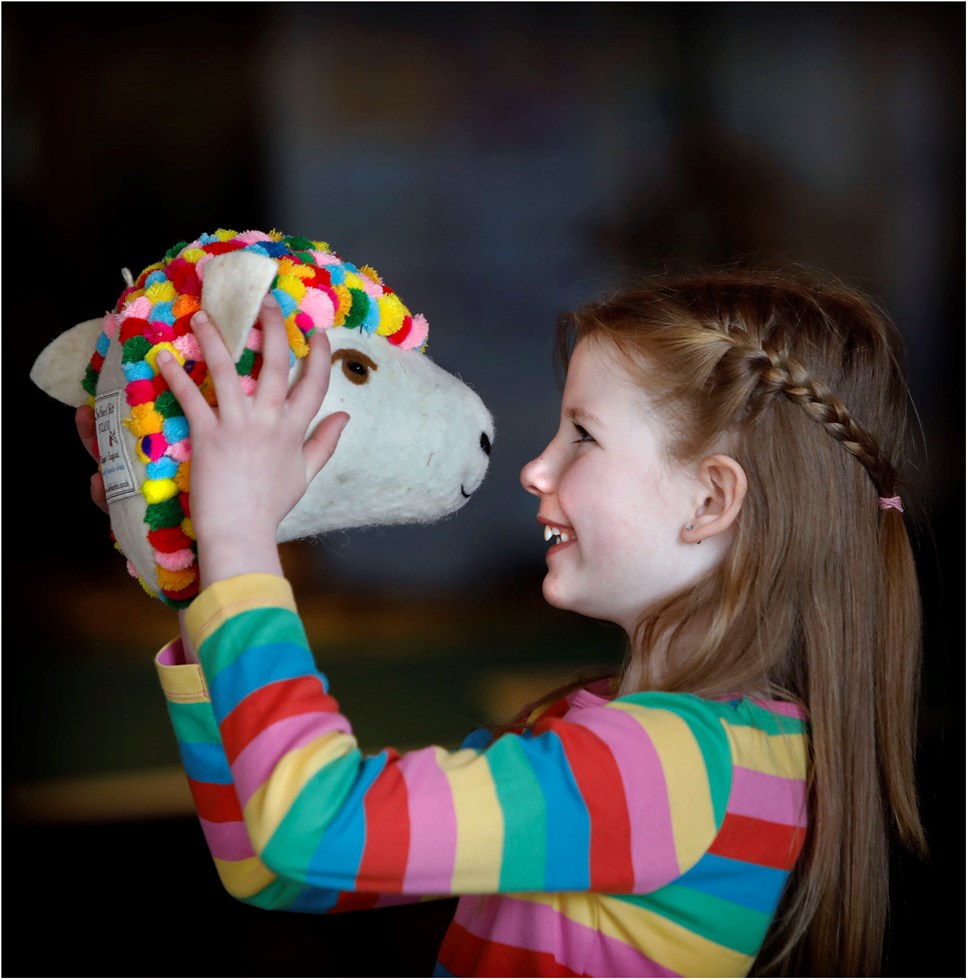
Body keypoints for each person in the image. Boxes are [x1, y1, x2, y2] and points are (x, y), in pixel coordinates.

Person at [75, 264, 926, 977]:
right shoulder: (664, 745)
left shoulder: (663, 766)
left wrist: (239, 538)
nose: (533, 468)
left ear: (710, 499)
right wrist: (201, 580)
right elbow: (277, 866)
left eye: (582, 437)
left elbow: (311, 826)